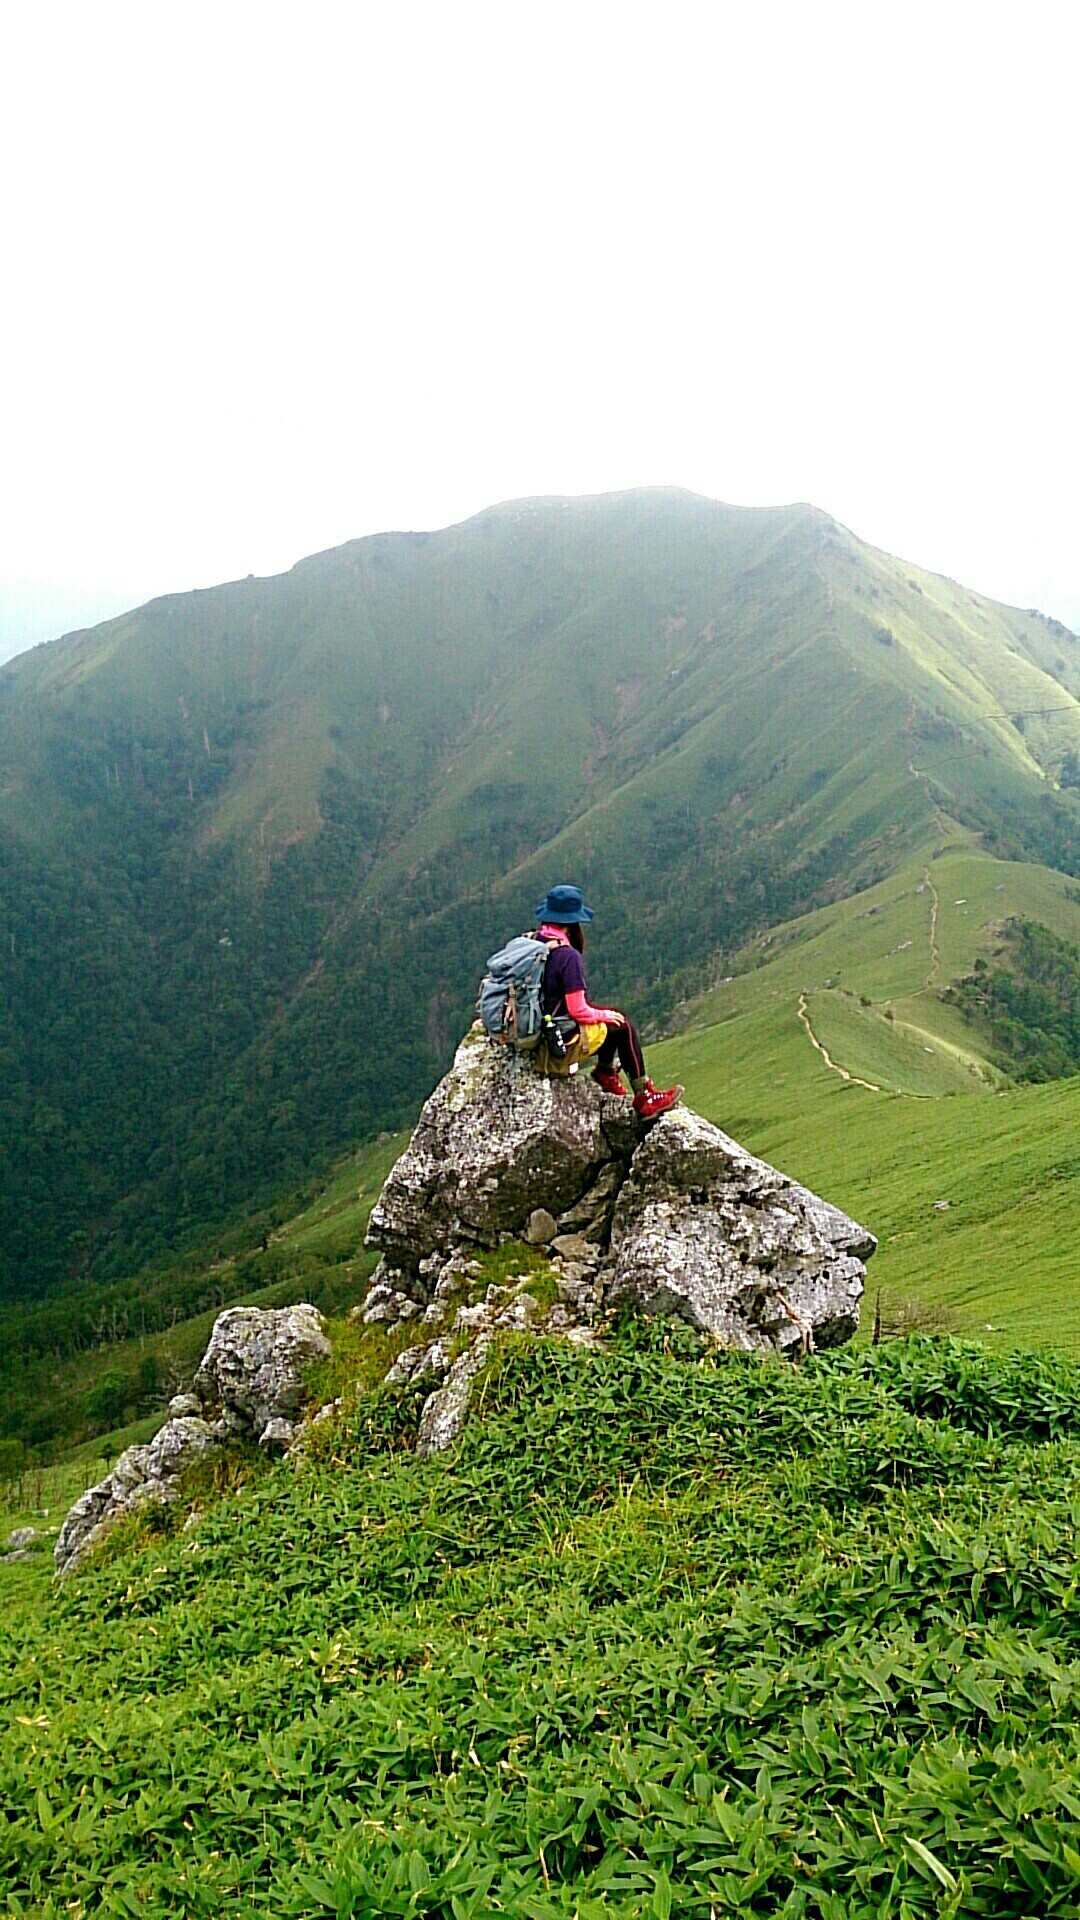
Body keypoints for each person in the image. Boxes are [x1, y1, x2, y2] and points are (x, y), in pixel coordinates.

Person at [533, 884, 682, 1119]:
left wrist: (604, 1015)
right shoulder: (567, 956)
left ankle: (606, 1071)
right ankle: (643, 1097)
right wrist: (604, 1016)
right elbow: (578, 1010)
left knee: (612, 1017)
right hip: (558, 1042)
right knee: (622, 1027)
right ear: (572, 923)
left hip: (537, 1031)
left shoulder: (535, 942)